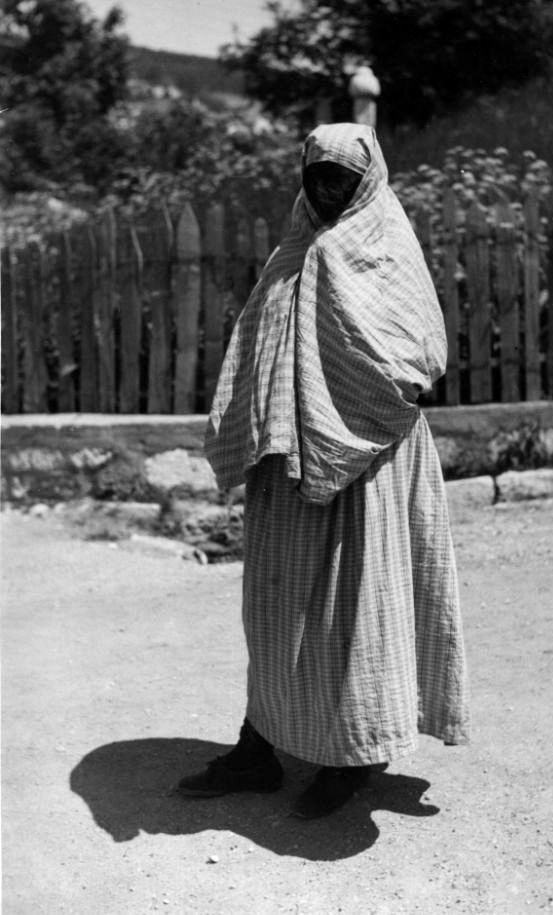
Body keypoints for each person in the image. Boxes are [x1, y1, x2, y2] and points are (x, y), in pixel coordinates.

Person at [178, 123, 469, 818]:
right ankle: (259, 747)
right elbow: (257, 348)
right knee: (278, 614)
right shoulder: (291, 253)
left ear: (367, 180)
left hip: (370, 465)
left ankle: (357, 752)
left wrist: (350, 406)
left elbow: (418, 356)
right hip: (289, 465)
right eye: (317, 177)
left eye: (342, 177)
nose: (329, 190)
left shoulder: (386, 249)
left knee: (357, 607)